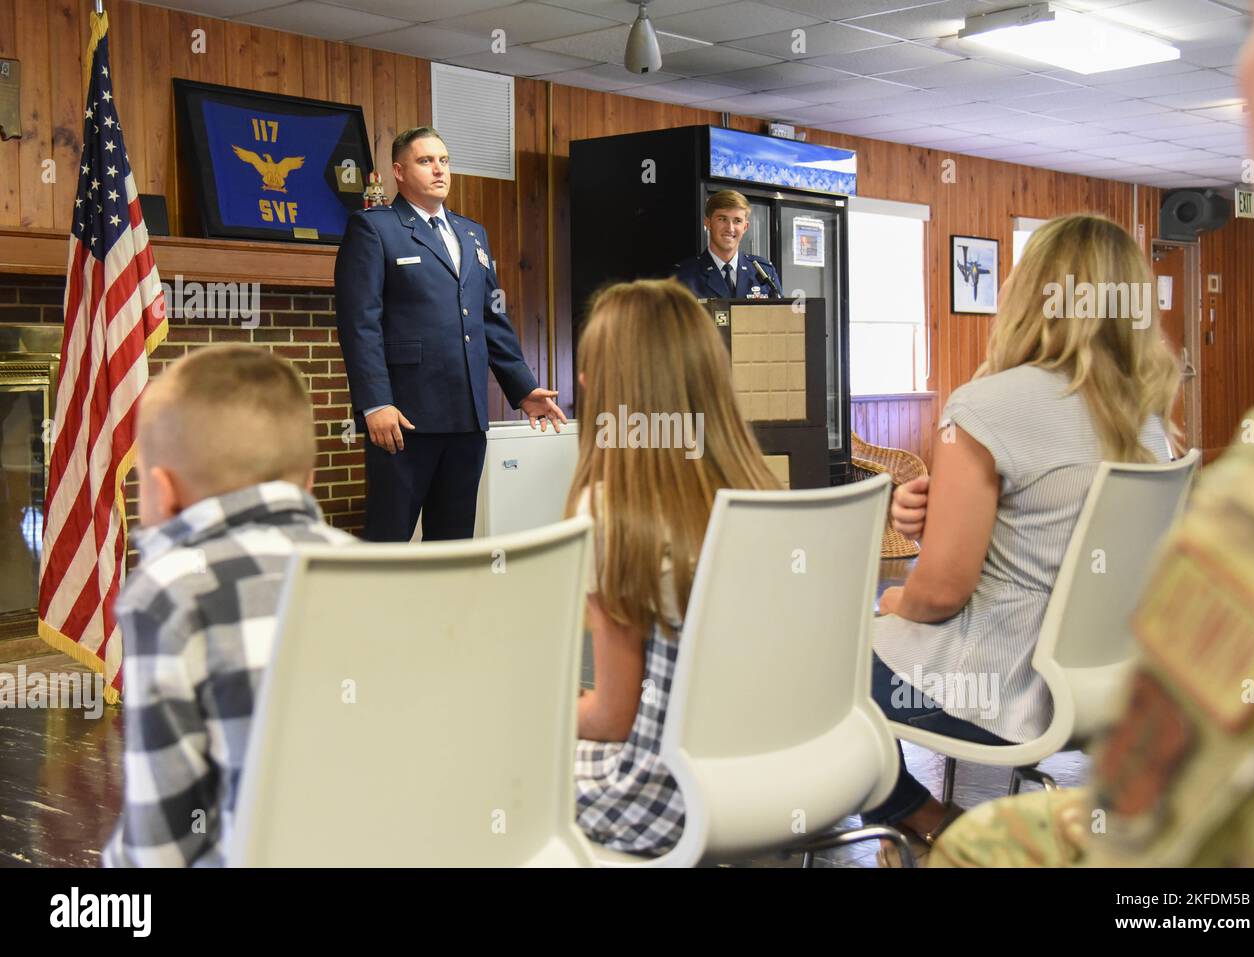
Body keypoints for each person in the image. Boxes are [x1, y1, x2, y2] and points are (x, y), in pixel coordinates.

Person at [932, 0, 1254, 870]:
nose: (1246, 67)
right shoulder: (1157, 427)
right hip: (1106, 670)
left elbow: (1151, 862)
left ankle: (919, 822)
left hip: (1013, 688)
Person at [863, 213, 1183, 865]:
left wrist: (897, 604)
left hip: (997, 690)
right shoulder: (1148, 424)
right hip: (1106, 689)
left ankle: (930, 823)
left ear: (1029, 290)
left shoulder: (987, 405)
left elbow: (942, 589)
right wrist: (939, 513)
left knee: (825, 662)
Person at [102, 346, 354, 867]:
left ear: (161, 493)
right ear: (307, 481)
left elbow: (159, 845)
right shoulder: (369, 567)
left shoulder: (168, 592)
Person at [566, 279, 780, 854]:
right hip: (777, 770)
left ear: (608, 390)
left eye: (590, 371)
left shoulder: (610, 511)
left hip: (669, 796)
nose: (581, 383)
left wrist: (531, 710)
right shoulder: (764, 496)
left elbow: (612, 717)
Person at [334, 126, 566, 542]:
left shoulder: (472, 233)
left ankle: (442, 610)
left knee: (453, 542)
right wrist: (375, 403)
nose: (439, 169)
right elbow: (359, 323)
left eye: (444, 160)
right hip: (403, 416)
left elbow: (492, 318)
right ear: (399, 172)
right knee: (388, 539)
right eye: (426, 161)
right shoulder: (374, 229)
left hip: (466, 416)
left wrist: (524, 388)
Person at [673, 189, 782, 300]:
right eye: (722, 219)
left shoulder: (763, 272)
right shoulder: (683, 276)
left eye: (737, 221)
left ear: (745, 227)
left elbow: (780, 315)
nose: (730, 228)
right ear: (708, 223)